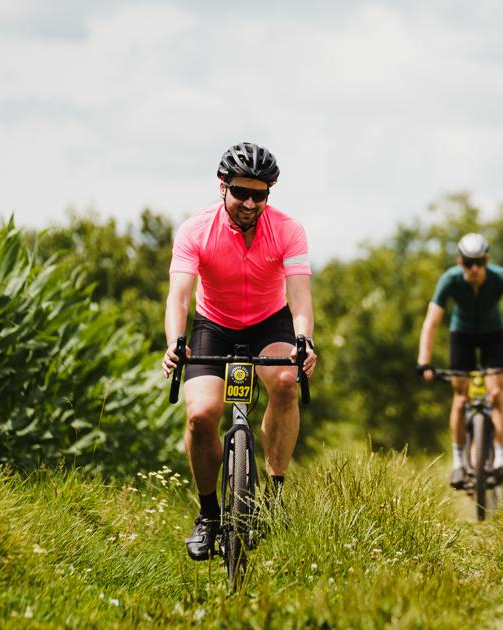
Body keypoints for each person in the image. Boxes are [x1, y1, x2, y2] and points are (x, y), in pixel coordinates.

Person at [161, 142, 317, 561]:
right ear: (222, 187)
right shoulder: (195, 230)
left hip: (269, 321)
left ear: (269, 193)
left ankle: (274, 493)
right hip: (213, 324)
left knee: (285, 381)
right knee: (200, 415)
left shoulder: (288, 229)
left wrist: (304, 339)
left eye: (260, 194)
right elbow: (179, 296)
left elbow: (300, 297)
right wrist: (176, 343)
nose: (250, 202)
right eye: (241, 193)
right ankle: (209, 515)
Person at [416, 233, 503, 487]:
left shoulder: (501, 277)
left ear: (487, 260)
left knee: (496, 393)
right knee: (460, 398)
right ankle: (460, 463)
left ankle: (502, 459)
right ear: (460, 262)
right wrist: (424, 361)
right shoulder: (449, 280)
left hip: (493, 335)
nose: (475, 269)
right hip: (461, 336)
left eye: (480, 262)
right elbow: (432, 321)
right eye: (469, 263)